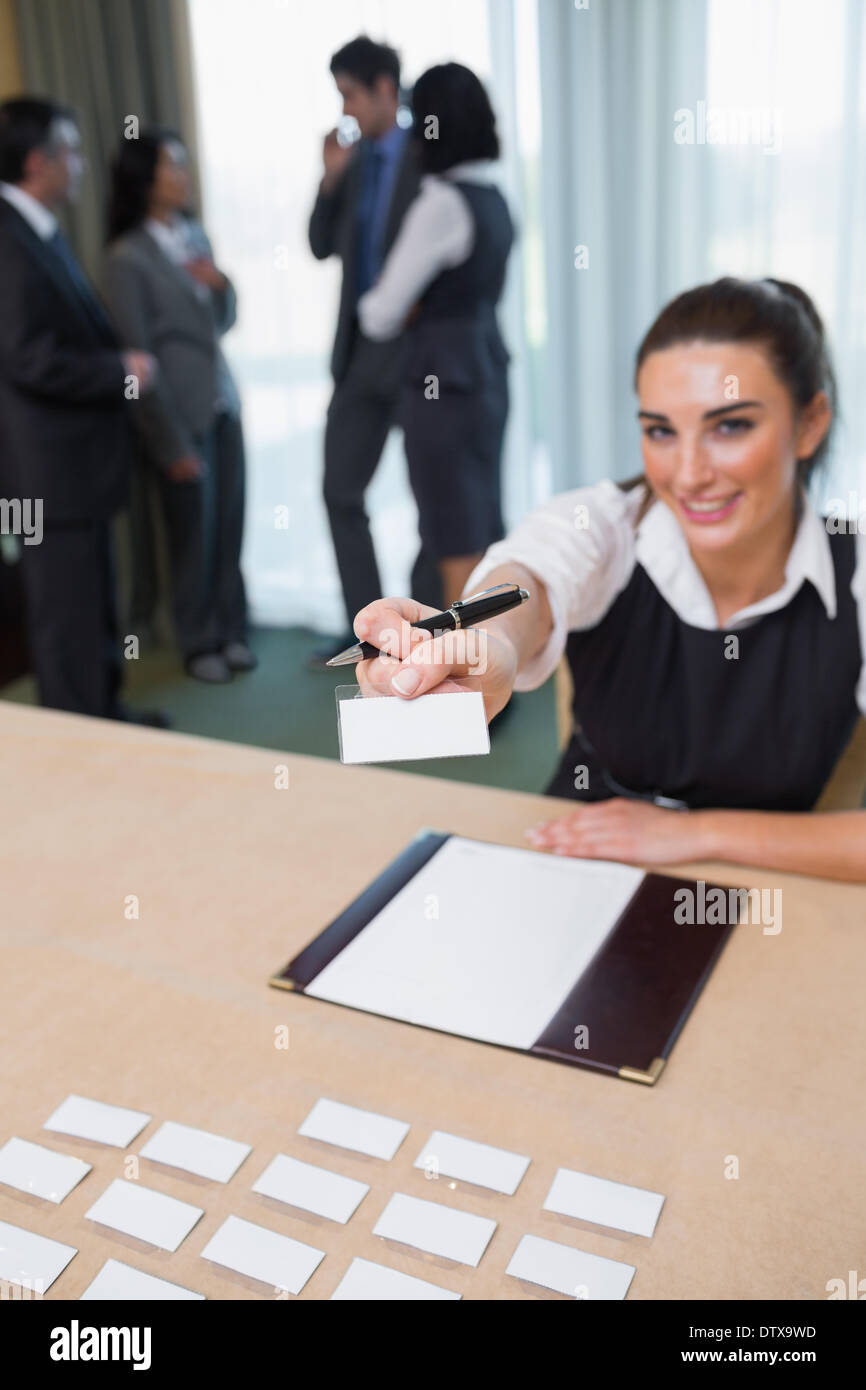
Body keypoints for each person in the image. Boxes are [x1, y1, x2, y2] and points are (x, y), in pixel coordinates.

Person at [353, 277, 866, 883]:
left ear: (810, 424)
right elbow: (529, 577)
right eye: (661, 431)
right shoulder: (604, 523)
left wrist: (690, 833)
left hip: (762, 884)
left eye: (730, 427)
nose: (691, 473)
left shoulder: (853, 572)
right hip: (577, 856)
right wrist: (487, 650)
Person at [0, 96, 164, 723]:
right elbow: (25, 357)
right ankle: (78, 740)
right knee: (62, 613)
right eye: (71, 151)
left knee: (90, 600)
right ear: (39, 161)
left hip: (72, 466)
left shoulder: (37, 228)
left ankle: (103, 714)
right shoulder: (8, 236)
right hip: (40, 474)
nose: (82, 165)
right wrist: (117, 371)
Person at [358, 62, 513, 608]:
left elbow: (379, 313)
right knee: (481, 525)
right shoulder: (494, 197)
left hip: (441, 385)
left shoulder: (439, 204)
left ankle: (470, 683)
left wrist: (402, 304)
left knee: (453, 538)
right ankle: (495, 673)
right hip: (487, 373)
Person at [103, 128, 254, 684]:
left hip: (222, 401)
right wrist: (167, 440)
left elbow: (222, 321)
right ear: (146, 178)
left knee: (230, 527)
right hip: (178, 416)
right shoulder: (126, 258)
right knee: (193, 534)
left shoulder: (194, 236)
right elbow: (134, 360)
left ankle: (232, 630)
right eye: (173, 166)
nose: (183, 176)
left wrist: (222, 284)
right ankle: (199, 642)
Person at [307, 35, 434, 667]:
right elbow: (319, 246)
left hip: (418, 360)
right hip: (358, 358)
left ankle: (426, 637)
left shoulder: (429, 154)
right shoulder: (350, 163)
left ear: (386, 88)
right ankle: (371, 633)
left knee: (431, 503)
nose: (346, 111)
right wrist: (328, 180)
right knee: (339, 491)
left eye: (351, 95)